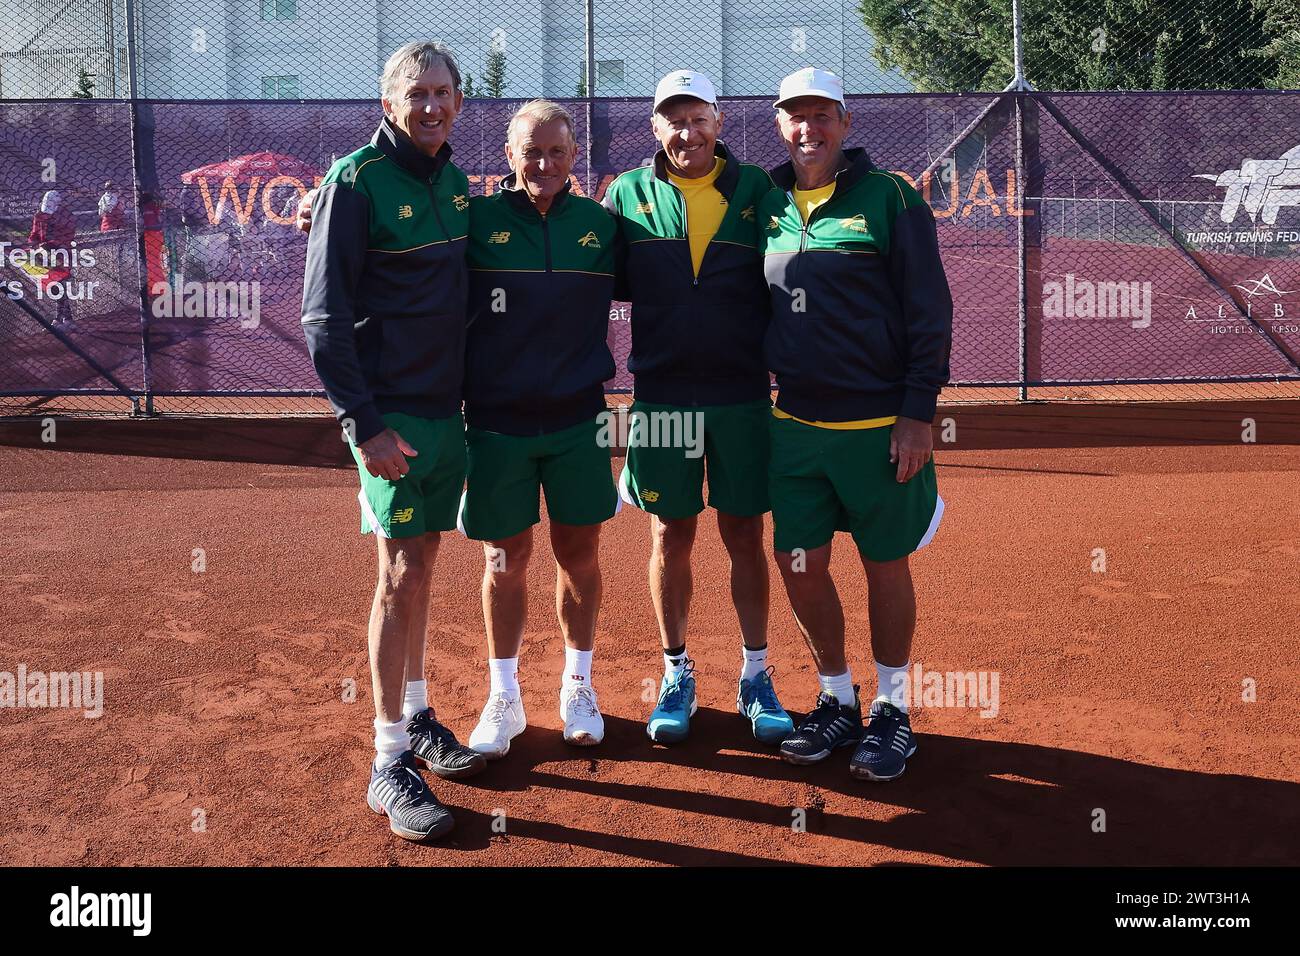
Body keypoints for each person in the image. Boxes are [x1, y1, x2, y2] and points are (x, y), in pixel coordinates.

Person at [300, 40, 484, 843]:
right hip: (393, 423)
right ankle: (386, 761)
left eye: (443, 93)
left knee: (424, 563)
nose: (432, 106)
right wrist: (364, 424)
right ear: (387, 102)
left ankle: (417, 717)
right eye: (417, 94)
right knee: (400, 574)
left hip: (448, 413)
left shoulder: (452, 179)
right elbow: (323, 318)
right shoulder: (354, 182)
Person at [760, 68, 952, 781]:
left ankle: (893, 711)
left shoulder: (891, 197)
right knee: (798, 562)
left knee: (883, 563)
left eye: (821, 116)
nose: (808, 129)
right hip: (795, 423)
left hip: (878, 424)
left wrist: (917, 413)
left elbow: (929, 310)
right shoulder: (768, 203)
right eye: (795, 117)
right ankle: (837, 698)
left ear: (845, 122)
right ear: (781, 125)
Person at [602, 70, 793, 745]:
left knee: (746, 534)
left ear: (719, 120)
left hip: (741, 394)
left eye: (698, 118)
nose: (686, 132)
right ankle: (676, 673)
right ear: (656, 128)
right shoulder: (626, 194)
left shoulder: (759, 192)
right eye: (672, 120)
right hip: (662, 395)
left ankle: (756, 674)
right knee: (667, 534)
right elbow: (565, 240)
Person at [458, 100, 621, 758]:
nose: (544, 164)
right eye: (532, 151)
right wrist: (325, 211)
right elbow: (395, 248)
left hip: (579, 421)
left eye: (556, 152)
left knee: (578, 558)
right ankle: (505, 694)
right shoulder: (476, 222)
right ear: (509, 156)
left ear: (574, 156)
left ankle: (577, 685)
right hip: (496, 425)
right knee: (504, 560)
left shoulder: (602, 226)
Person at [28, 189, 76, 326]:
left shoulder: (65, 215)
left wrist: (51, 244)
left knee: (60, 284)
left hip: (62, 254)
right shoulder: (40, 216)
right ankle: (66, 318)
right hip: (46, 255)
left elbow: (68, 236)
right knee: (55, 286)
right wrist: (33, 244)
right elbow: (34, 235)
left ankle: (60, 318)